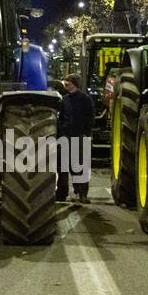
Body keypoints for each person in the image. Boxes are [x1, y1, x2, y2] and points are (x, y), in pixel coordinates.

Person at [57, 74, 95, 204]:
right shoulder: (64, 100)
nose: (65, 83)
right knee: (62, 167)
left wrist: (85, 133)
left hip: (79, 136)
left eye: (68, 81)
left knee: (80, 166)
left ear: (74, 83)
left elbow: (90, 117)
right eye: (65, 80)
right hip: (65, 136)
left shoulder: (85, 99)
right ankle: (61, 193)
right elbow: (60, 118)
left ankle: (82, 194)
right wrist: (61, 131)